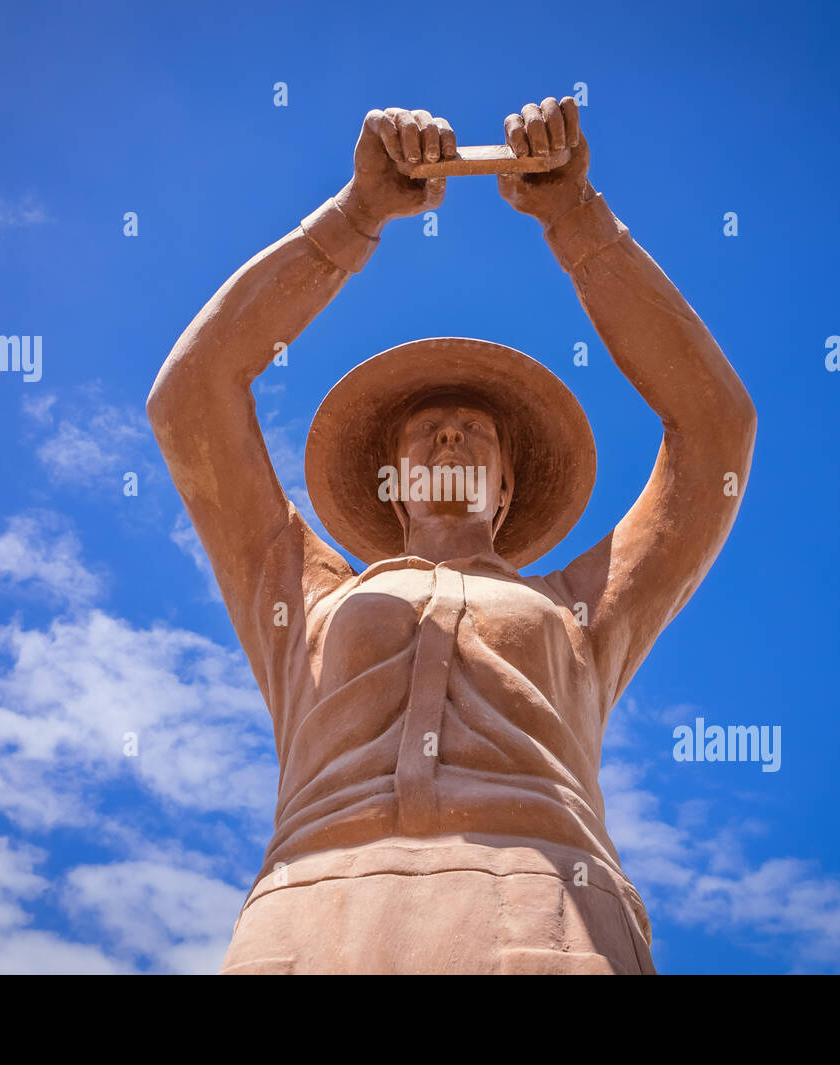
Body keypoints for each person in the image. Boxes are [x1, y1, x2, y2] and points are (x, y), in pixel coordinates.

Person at [147, 97, 756, 974]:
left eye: (477, 427)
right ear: (386, 476)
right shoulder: (306, 595)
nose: (449, 432)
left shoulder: (582, 609)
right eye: (426, 424)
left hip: (543, 909)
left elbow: (715, 433)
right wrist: (357, 216)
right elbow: (191, 395)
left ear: (507, 489)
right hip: (310, 914)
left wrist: (574, 215)